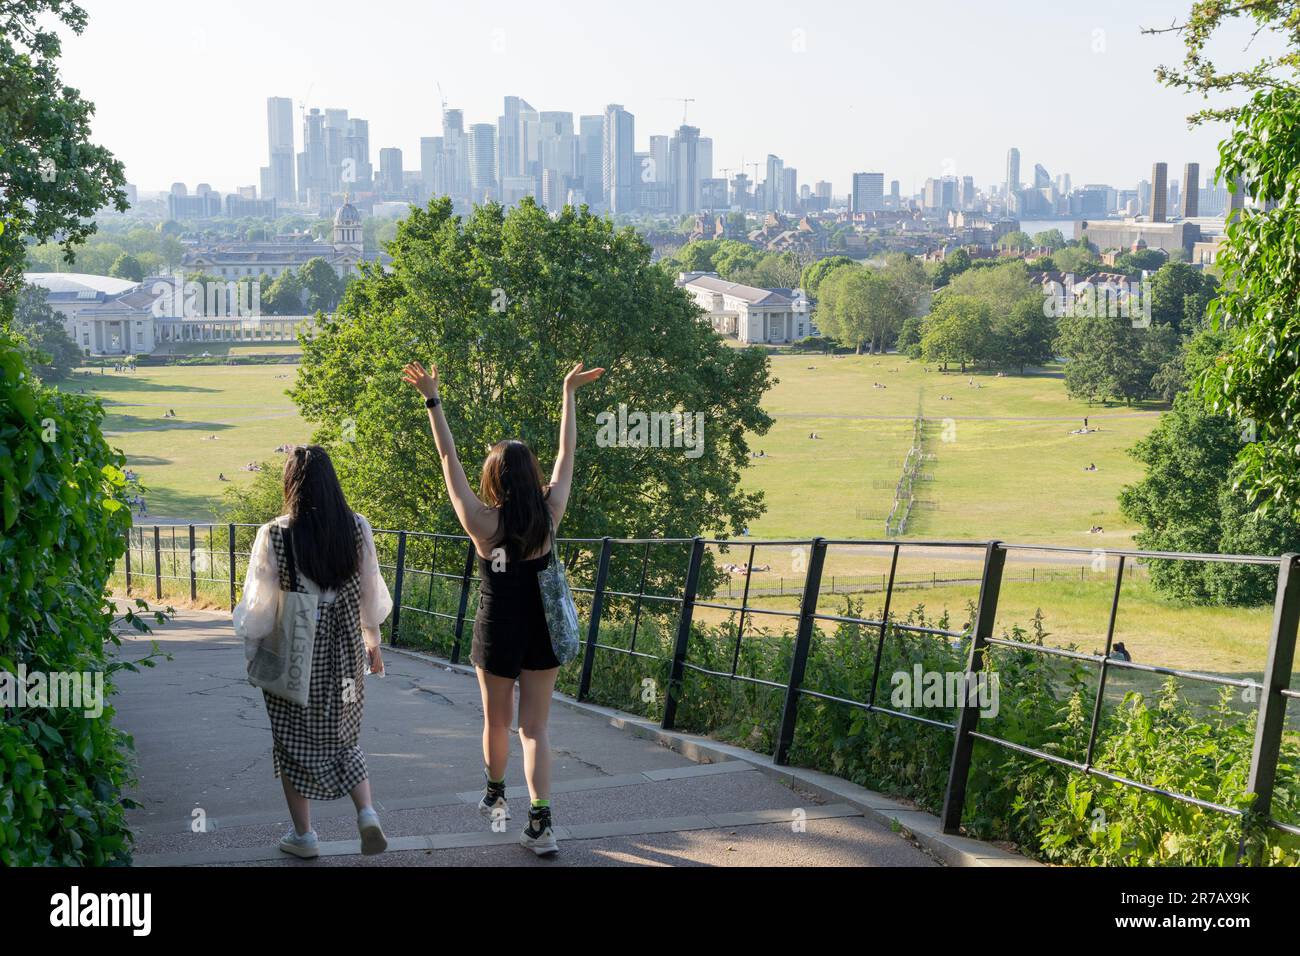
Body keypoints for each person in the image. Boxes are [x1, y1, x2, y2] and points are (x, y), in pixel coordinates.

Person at [402, 358, 604, 856]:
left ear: (493, 478)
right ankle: (542, 821)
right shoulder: (550, 515)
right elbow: (567, 452)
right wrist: (567, 393)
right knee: (535, 728)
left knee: (496, 721)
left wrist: (434, 401)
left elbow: (448, 460)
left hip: (498, 629)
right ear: (531, 475)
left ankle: (496, 791)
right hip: (543, 631)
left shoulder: (480, 522)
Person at [233, 445, 393, 860]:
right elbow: (370, 596)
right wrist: (372, 644)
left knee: (290, 741)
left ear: (291, 484)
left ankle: (304, 836)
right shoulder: (357, 527)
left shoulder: (275, 534)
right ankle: (367, 813)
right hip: (344, 657)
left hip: (293, 654)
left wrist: (254, 651)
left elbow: (260, 608)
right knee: (345, 735)